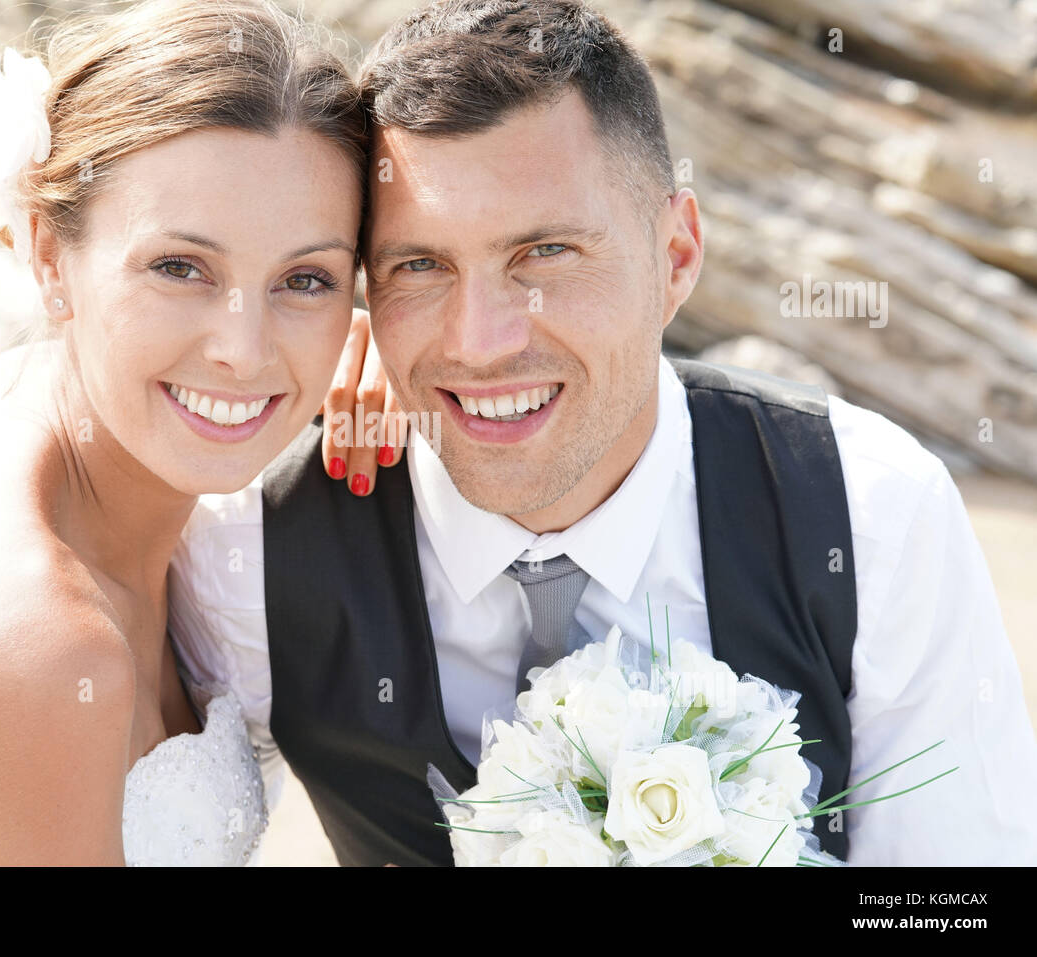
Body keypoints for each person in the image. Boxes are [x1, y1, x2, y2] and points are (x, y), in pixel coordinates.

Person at [169, 0, 1037, 865]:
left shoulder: (873, 514)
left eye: (545, 253)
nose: (478, 342)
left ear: (678, 255)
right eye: (420, 266)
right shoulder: (246, 554)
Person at [0, 0, 396, 866]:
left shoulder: (4, 399)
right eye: (179, 267)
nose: (243, 351)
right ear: (49, 255)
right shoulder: (38, 642)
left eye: (304, 279)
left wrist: (411, 356)